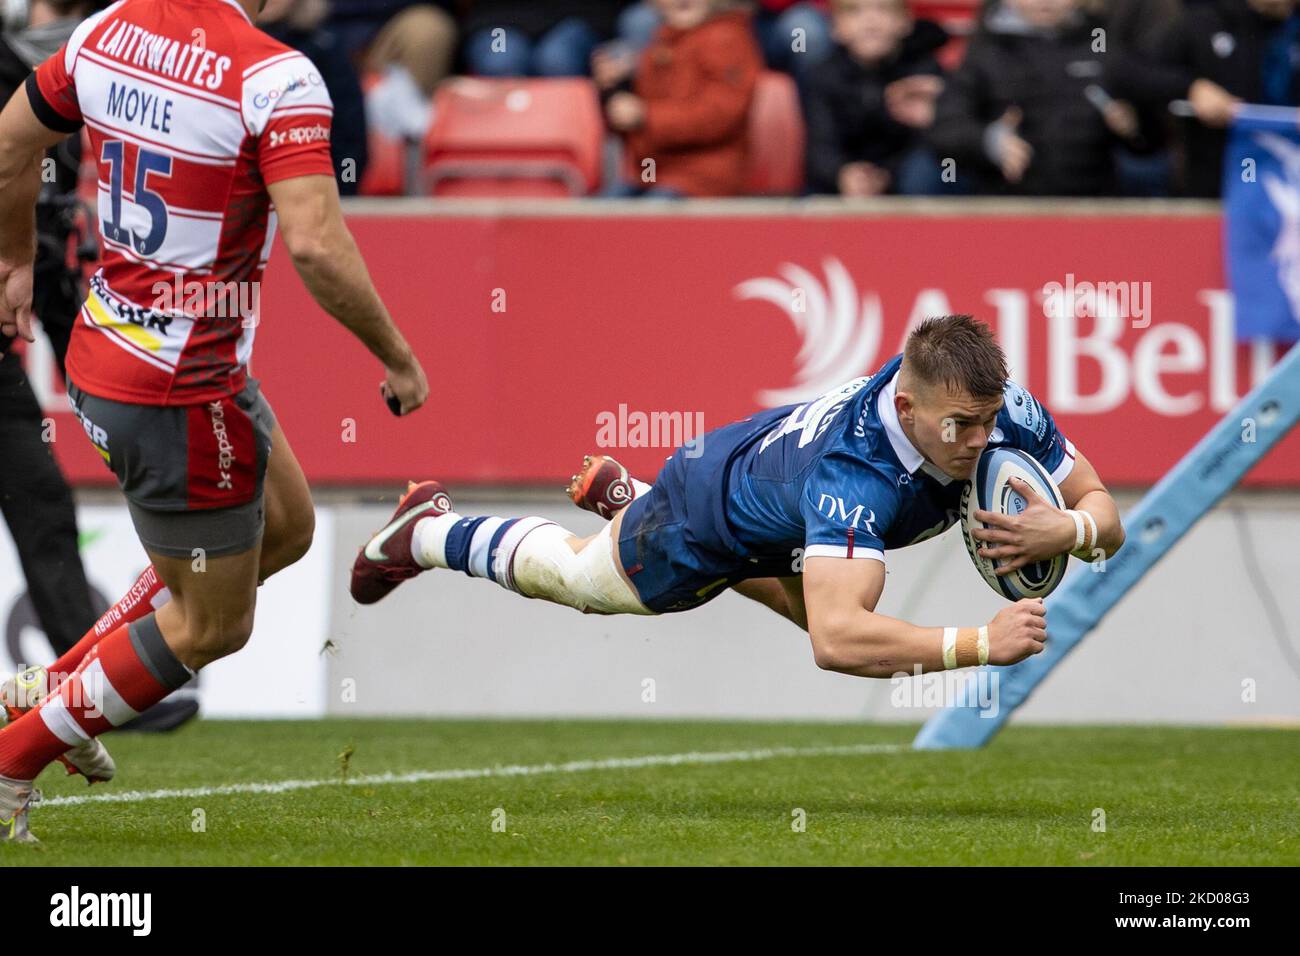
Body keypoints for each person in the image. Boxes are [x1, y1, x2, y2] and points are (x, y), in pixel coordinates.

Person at [0, 0, 428, 843]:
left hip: (117, 348)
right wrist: (398, 355)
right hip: (177, 387)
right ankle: (21, 750)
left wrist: (13, 257)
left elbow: (12, 141)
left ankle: (61, 687)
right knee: (215, 623)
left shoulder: (109, 26)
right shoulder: (275, 74)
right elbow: (314, 243)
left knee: (288, 527)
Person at [351, 316, 1125, 686]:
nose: (981, 440)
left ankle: (629, 500)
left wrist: (1073, 525)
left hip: (776, 502)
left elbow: (1107, 514)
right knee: (578, 580)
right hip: (706, 509)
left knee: (829, 610)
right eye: (961, 425)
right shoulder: (852, 474)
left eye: (989, 420)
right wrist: (983, 644)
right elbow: (839, 643)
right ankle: (429, 529)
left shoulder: (993, 405)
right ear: (912, 407)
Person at [927, 0, 1146, 195]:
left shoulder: (1105, 45)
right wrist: (989, 141)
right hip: (1007, 201)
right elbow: (945, 129)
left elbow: (1152, 131)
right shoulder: (983, 53)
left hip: (1094, 200)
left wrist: (1132, 127)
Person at [597, 0, 762, 197]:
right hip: (653, 172)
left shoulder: (727, 38)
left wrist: (644, 115)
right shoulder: (659, 43)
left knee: (652, 209)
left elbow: (719, 116)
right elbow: (632, 128)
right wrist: (614, 92)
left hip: (704, 177)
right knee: (604, 207)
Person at [802, 0, 950, 196]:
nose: (870, 22)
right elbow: (820, 146)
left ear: (905, 22)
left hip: (905, 180)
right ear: (836, 28)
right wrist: (842, 174)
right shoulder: (822, 76)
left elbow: (934, 143)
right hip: (841, 183)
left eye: (884, 9)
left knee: (926, 171)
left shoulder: (925, 72)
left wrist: (887, 174)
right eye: (855, 11)